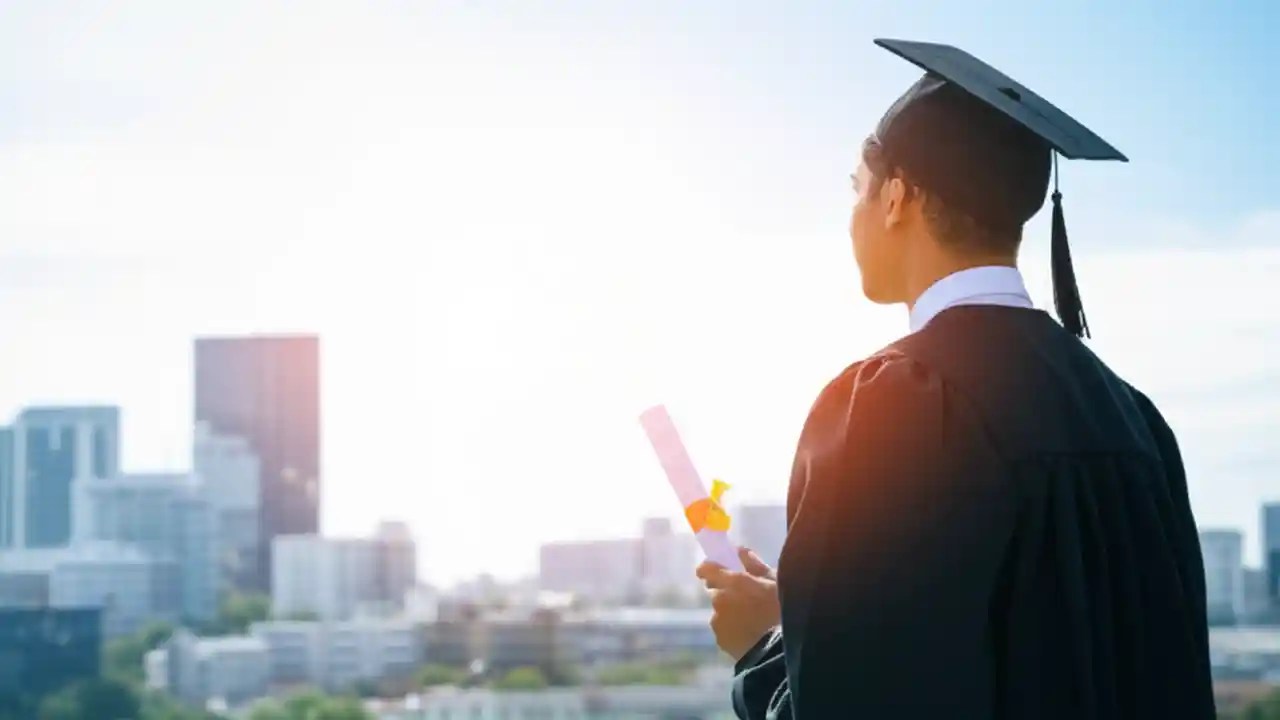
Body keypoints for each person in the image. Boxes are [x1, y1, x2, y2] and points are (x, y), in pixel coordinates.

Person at [696, 39, 1216, 718]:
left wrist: (763, 647)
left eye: (857, 188)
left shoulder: (894, 405)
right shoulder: (1134, 418)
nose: (851, 214)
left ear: (897, 199)